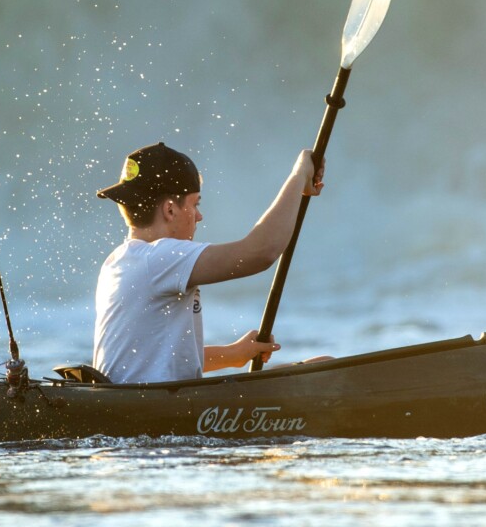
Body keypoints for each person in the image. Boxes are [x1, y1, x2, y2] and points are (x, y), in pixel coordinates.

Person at [92, 141, 324, 383]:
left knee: (315, 367)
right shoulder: (161, 256)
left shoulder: (116, 262)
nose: (199, 216)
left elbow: (156, 358)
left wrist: (233, 354)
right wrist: (299, 176)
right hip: (162, 409)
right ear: (170, 210)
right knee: (324, 369)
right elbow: (261, 253)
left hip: (139, 400)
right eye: (195, 204)